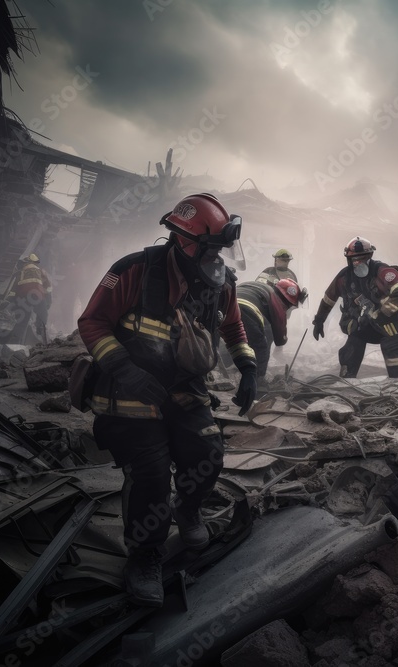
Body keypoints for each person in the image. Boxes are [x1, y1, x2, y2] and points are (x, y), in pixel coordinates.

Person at [77, 193, 257, 606]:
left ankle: (188, 509)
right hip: (130, 390)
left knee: (208, 454)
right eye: (211, 249)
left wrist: (248, 367)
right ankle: (144, 556)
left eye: (221, 250)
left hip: (184, 388)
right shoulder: (132, 270)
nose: (217, 258)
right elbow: (92, 322)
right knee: (151, 472)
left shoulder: (221, 283)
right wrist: (125, 369)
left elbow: (233, 327)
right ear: (185, 240)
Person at [313, 236, 398, 378]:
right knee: (357, 339)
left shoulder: (383, 271)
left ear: (370, 256)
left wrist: (380, 314)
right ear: (349, 260)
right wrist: (319, 320)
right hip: (385, 327)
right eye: (354, 259)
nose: (358, 263)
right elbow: (328, 299)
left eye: (363, 258)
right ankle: (351, 377)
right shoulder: (344, 278)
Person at [237, 277, 304, 385]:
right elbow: (279, 335)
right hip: (247, 308)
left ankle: (225, 366)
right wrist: (280, 346)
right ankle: (258, 381)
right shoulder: (277, 300)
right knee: (263, 341)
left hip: (227, 306)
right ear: (286, 301)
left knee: (233, 340)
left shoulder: (263, 289)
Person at [6, 253, 52, 344]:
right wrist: (48, 302)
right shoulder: (40, 271)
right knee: (42, 316)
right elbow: (48, 288)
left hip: (23, 297)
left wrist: (11, 302)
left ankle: (14, 342)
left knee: (22, 321)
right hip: (38, 296)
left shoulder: (20, 273)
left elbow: (13, 290)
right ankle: (42, 336)